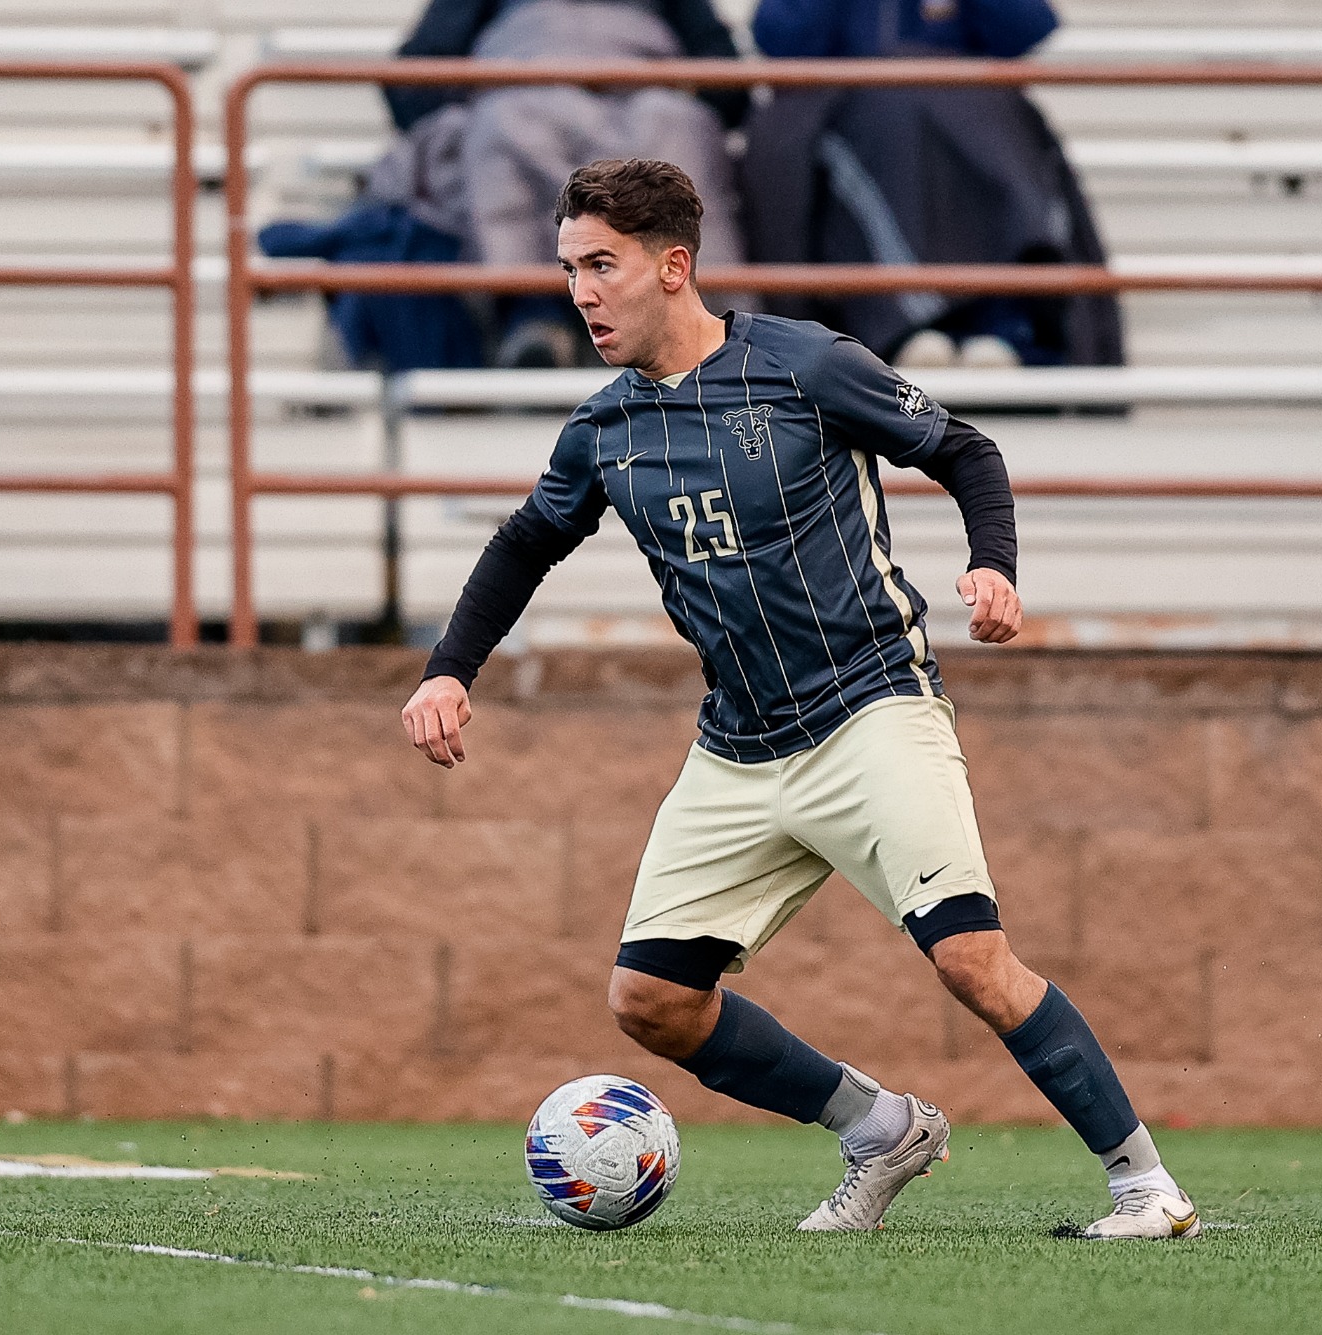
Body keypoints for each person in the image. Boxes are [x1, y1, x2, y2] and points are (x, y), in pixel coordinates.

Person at [400, 158, 1194, 1238]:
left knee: (969, 958)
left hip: (872, 709)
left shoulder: (801, 364)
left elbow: (965, 450)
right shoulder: (602, 430)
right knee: (651, 1004)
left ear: (672, 266)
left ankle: (1142, 1186)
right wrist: (450, 668)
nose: (579, 292)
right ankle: (879, 1129)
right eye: (568, 268)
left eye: (601, 265)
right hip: (738, 748)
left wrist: (991, 564)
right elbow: (523, 544)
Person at [743, 0, 1123, 372]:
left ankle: (1002, 329)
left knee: (996, 143)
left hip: (966, 118)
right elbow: (782, 40)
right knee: (875, 141)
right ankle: (908, 330)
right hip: (850, 117)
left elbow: (1023, 30)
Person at [384, 0, 750, 368]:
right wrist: (489, 93)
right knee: (499, 123)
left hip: (642, 103)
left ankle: (708, 339)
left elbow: (726, 82)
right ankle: (533, 321)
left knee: (677, 124)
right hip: (521, 101)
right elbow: (412, 83)